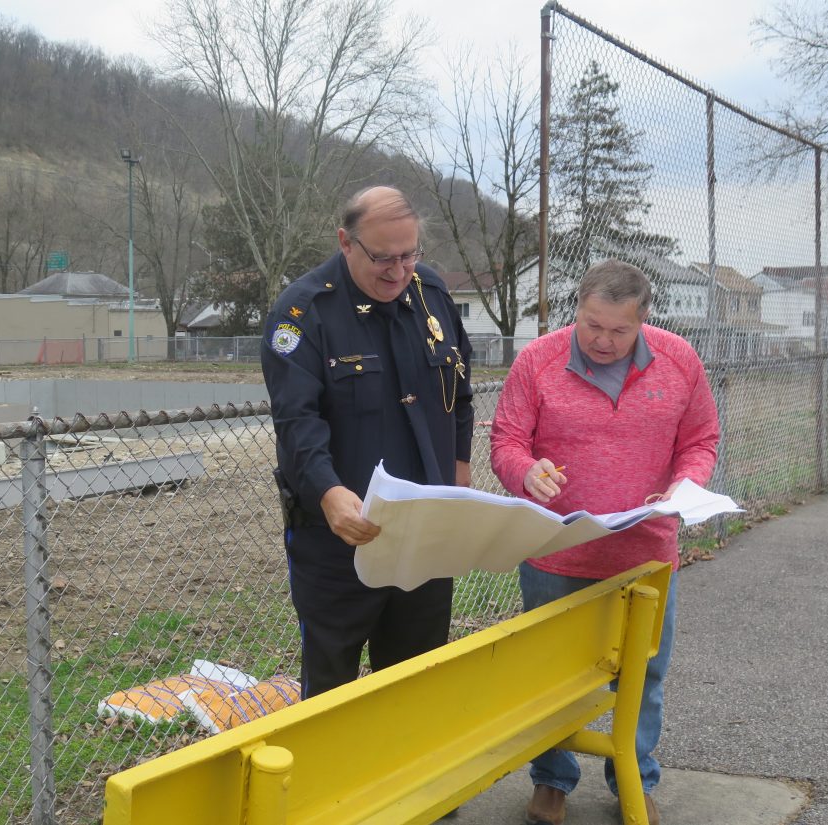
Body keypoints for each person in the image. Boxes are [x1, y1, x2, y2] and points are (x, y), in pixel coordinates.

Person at [489, 259, 720, 825]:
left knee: (645, 675)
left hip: (645, 555)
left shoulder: (679, 360)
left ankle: (634, 780)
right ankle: (551, 780)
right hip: (555, 552)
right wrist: (526, 471)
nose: (603, 340)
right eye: (592, 325)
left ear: (644, 319)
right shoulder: (537, 360)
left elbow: (701, 439)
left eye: (619, 330)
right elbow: (507, 440)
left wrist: (686, 483)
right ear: (578, 309)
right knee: (550, 674)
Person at [261, 185, 474, 701]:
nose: (398, 272)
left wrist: (460, 468)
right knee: (331, 691)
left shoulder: (431, 294)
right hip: (340, 540)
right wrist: (328, 491)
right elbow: (297, 421)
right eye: (383, 258)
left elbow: (460, 391)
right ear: (346, 242)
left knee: (413, 685)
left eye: (409, 255)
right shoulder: (304, 313)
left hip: (423, 536)